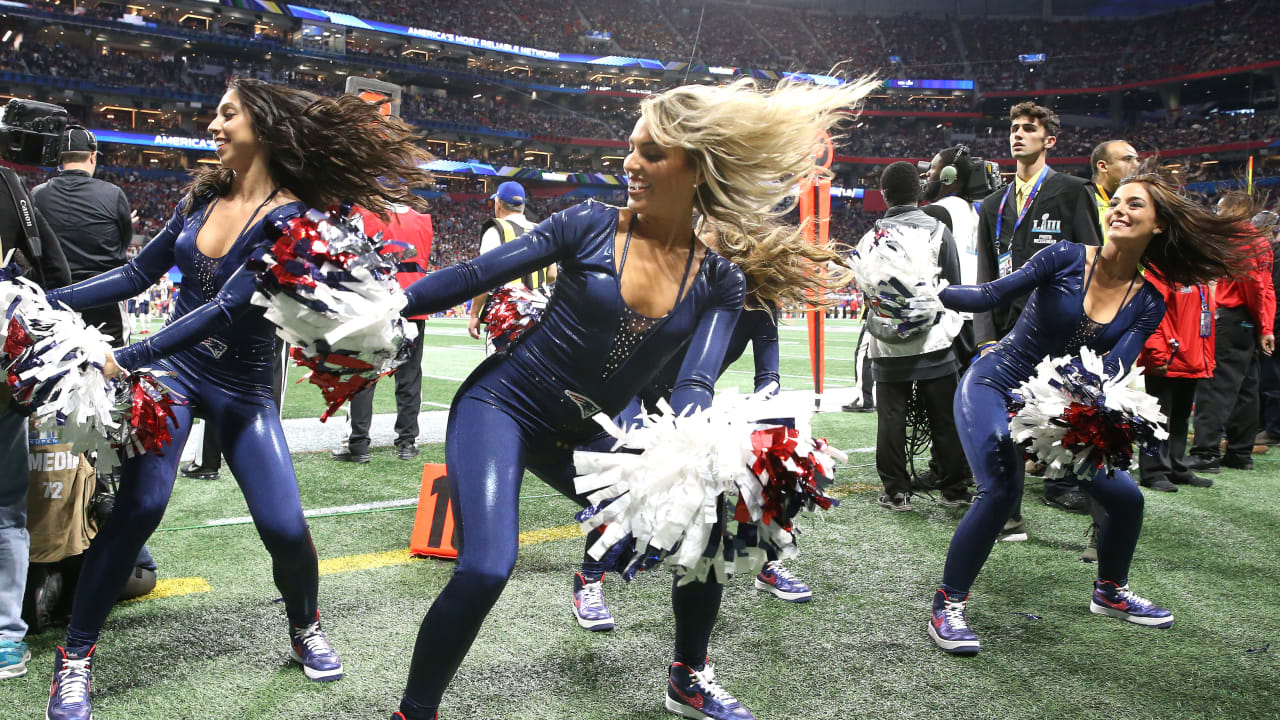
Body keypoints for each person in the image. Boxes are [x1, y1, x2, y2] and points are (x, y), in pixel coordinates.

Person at [392, 76, 872, 720]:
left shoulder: (719, 280)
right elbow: (472, 277)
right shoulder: (588, 224)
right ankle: (413, 712)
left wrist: (717, 463)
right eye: (632, 147)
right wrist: (386, 304)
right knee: (485, 567)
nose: (629, 163)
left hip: (590, 437)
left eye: (651, 152)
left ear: (696, 167)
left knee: (706, 534)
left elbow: (695, 386)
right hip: (501, 407)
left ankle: (688, 676)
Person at [41, 78, 435, 720]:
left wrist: (127, 356)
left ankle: (304, 626)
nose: (213, 124)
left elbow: (227, 310)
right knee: (140, 505)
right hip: (173, 373)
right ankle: (76, 658)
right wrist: (44, 302)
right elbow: (136, 275)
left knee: (284, 528)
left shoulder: (295, 219)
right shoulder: (204, 192)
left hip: (247, 389)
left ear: (265, 126)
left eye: (227, 114)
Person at [928, 170, 1261, 656]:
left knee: (1125, 498)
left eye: (1135, 205)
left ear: (1159, 226)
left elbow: (1113, 368)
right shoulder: (1064, 256)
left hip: (1064, 403)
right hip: (997, 382)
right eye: (1117, 202)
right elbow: (990, 295)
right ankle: (949, 603)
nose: (1119, 210)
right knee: (1001, 488)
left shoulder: (1148, 300)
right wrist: (926, 292)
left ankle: (1110, 591)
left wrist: (1065, 421)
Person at [571, 217, 820, 634]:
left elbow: (768, 373)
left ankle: (765, 561)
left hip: (692, 402)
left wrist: (763, 412)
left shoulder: (756, 302)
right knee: (630, 472)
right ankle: (589, 579)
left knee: (775, 455)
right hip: (634, 392)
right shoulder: (678, 279)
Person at [974, 102, 1103, 529]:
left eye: (1029, 129)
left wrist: (1090, 331)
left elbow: (1094, 265)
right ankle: (1008, 512)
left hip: (1062, 332)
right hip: (1010, 332)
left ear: (1049, 140)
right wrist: (985, 336)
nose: (1018, 134)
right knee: (1004, 422)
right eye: (1014, 128)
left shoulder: (1071, 190)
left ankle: (1082, 503)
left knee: (1073, 418)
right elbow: (985, 276)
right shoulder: (992, 205)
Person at [857, 162, 971, 512]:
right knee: (945, 418)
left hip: (885, 344)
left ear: (885, 194)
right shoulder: (938, 231)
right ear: (919, 191)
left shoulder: (868, 237)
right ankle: (954, 490)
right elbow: (954, 286)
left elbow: (867, 294)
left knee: (891, 418)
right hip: (934, 341)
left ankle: (895, 492)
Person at [0, 162, 70, 681]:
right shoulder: (7, 183)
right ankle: (4, 639)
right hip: (3, 378)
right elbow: (55, 274)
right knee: (5, 511)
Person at [332, 204, 435, 462]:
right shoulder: (423, 221)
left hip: (376, 306)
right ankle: (407, 443)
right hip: (413, 305)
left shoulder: (365, 216)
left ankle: (358, 445)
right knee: (409, 377)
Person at [1187, 194, 1276, 473]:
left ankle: (1205, 453)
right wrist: (1265, 326)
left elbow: (1254, 288)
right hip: (1248, 321)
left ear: (1234, 209)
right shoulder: (1260, 242)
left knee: (1215, 386)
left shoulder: (1238, 241)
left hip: (1231, 317)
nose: (1217, 211)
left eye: (1221, 207)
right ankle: (1239, 453)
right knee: (1247, 388)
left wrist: (1263, 326)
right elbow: (1266, 289)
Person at [31, 126, 134, 347]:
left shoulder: (38, 194)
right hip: (104, 299)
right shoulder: (113, 194)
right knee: (110, 373)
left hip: (53, 301)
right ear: (93, 156)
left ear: (60, 159)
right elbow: (122, 245)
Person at [1136, 266, 1216, 491]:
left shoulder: (1197, 274)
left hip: (1191, 359)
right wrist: (1157, 353)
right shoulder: (1161, 272)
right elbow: (1151, 314)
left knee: (1181, 417)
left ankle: (1176, 466)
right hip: (1168, 359)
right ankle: (1153, 471)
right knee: (1157, 418)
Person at [465, 181, 547, 354]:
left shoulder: (496, 231)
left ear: (498, 203)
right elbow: (552, 274)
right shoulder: (541, 232)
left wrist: (474, 314)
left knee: (499, 375)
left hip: (506, 318)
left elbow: (484, 277)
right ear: (523, 206)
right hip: (538, 319)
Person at [1085, 140, 1141, 241]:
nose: (1137, 165)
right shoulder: (1082, 202)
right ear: (1103, 166)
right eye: (1128, 159)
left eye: (1137, 160)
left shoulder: (1138, 204)